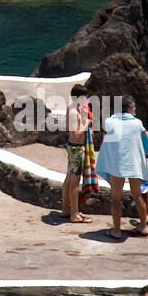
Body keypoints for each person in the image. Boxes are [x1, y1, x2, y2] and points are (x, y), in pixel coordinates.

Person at [94, 97, 148, 240]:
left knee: (116, 198)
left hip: (118, 165)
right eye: (134, 107)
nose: (135, 109)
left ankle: (117, 231)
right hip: (134, 164)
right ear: (130, 108)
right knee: (137, 195)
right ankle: (143, 227)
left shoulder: (109, 122)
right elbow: (142, 139)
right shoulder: (138, 123)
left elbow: (109, 140)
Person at [61, 94, 95, 225]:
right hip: (76, 148)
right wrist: (86, 124)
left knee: (69, 178)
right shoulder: (74, 112)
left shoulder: (71, 108)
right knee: (75, 182)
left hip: (72, 147)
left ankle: (66, 209)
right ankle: (74, 214)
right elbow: (76, 134)